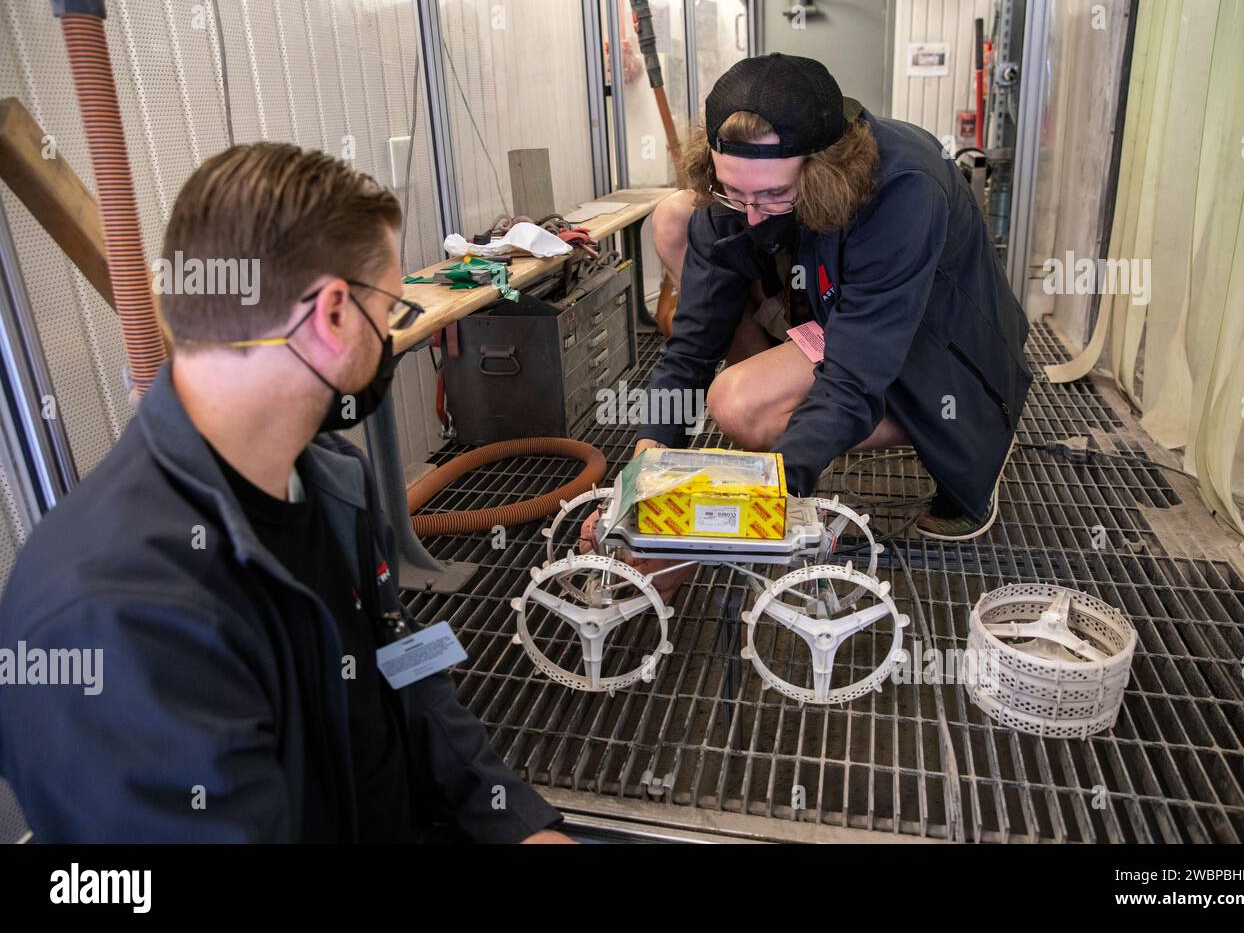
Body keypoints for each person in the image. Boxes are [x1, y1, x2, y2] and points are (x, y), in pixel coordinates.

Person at [0, 143, 571, 843]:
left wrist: (511, 820)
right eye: (391, 312)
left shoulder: (331, 478)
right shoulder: (111, 613)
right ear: (332, 315)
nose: (393, 339)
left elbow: (403, 660)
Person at [636, 54, 1032, 540]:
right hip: (826, 295)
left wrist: (771, 494)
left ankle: (961, 427)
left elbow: (853, 373)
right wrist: (649, 455)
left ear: (824, 169)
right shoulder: (743, 188)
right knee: (677, 215)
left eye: (775, 195)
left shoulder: (904, 188)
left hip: (926, 339)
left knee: (740, 404)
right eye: (736, 193)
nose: (752, 214)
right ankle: (795, 423)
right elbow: (692, 345)